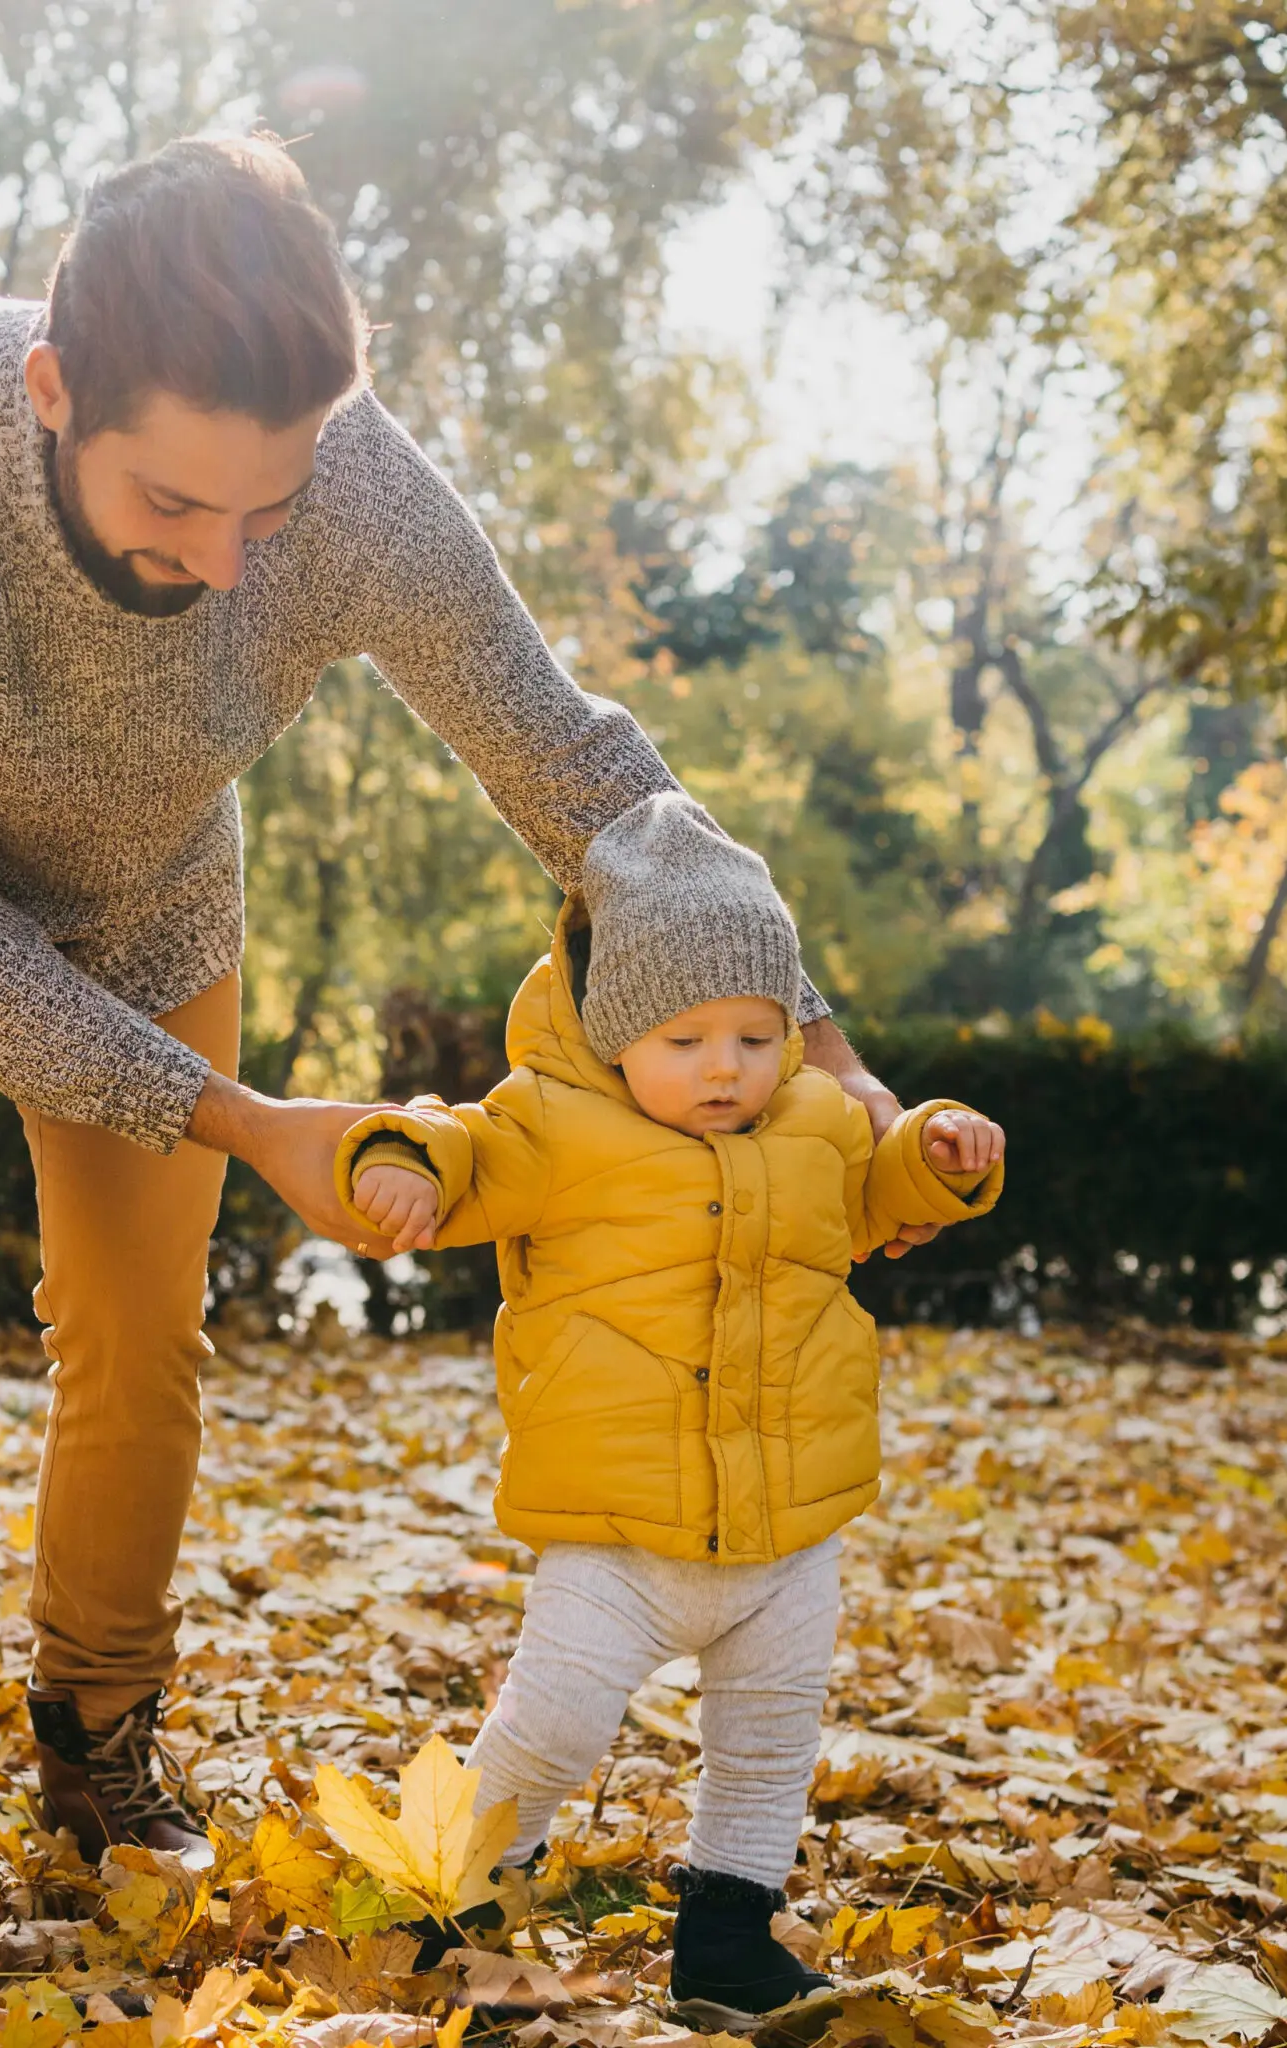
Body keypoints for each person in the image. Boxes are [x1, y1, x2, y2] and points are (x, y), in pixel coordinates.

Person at [0, 135, 943, 1991]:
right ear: (53, 391)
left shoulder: (344, 481)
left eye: (261, 520)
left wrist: (833, 1055)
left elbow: (576, 768)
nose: (221, 565)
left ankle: (98, 1727)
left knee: (138, 1308)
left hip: (148, 881)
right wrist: (247, 1116)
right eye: (175, 506)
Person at [339, 792, 1005, 2025]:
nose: (724, 1068)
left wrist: (936, 1153)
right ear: (614, 1030)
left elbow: (872, 1201)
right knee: (547, 1725)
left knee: (765, 1748)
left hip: (789, 1531)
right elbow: (455, 1143)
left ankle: (727, 1939)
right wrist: (397, 1162)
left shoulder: (812, 1124)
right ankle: (450, 1898)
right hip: (614, 1533)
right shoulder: (554, 1121)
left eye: (754, 1037)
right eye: (685, 1038)